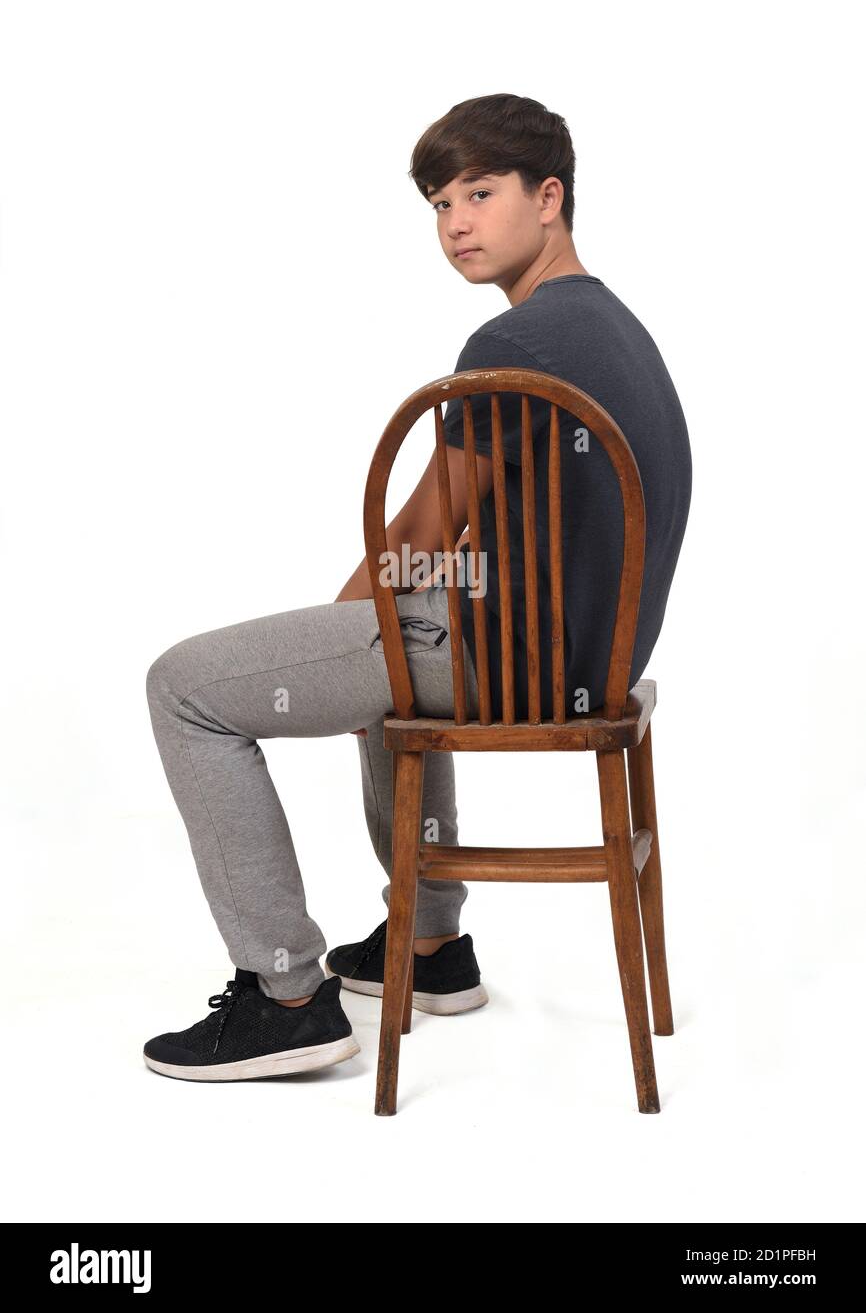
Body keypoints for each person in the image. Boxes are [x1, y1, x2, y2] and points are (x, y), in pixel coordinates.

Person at [142, 92, 691, 1082]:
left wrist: (347, 636)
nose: (456, 225)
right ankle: (432, 946)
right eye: (439, 204)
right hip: (586, 659)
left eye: (480, 194)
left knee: (183, 685)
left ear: (550, 197)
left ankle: (286, 996)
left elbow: (421, 534)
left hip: (505, 660)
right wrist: (369, 638)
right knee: (384, 650)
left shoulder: (510, 346)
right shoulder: (612, 324)